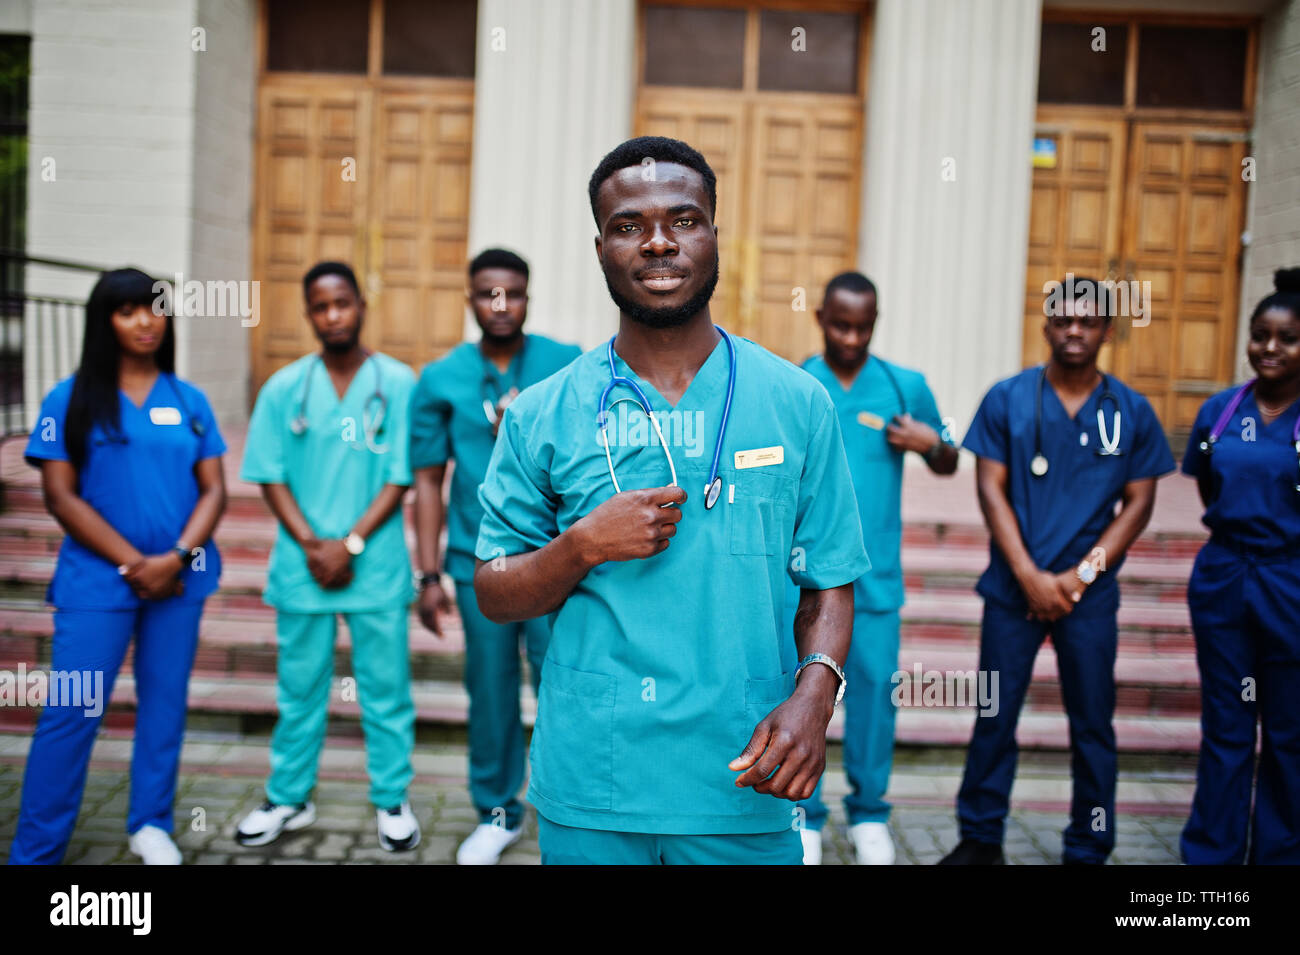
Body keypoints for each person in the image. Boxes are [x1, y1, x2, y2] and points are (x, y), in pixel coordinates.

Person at [471, 136, 870, 866]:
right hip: (597, 780)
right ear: (600, 249)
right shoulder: (544, 412)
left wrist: (816, 697)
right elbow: (495, 592)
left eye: (683, 220)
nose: (658, 241)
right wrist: (581, 545)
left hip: (746, 776)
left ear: (715, 234)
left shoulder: (797, 402)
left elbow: (831, 582)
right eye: (629, 226)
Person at [940, 275, 1174, 865]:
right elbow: (990, 489)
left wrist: (1083, 574)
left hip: (1088, 598)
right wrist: (1030, 576)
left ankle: (1089, 845)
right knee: (995, 715)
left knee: (1092, 723)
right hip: (1012, 590)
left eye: (1089, 321)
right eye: (1064, 319)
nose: (1075, 330)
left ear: (1108, 331)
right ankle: (980, 840)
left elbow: (1139, 502)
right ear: (1046, 325)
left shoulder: (1131, 409)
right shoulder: (1007, 398)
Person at [8, 268, 227, 865]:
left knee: (164, 703)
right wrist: (138, 564)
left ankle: (151, 823)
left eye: (154, 309)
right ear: (104, 320)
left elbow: (213, 489)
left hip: (179, 580)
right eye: (128, 310)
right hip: (98, 582)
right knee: (72, 711)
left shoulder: (190, 401)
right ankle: (36, 850)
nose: (145, 321)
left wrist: (176, 558)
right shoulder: (69, 399)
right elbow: (61, 497)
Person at [235, 261, 420, 852]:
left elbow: (400, 477)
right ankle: (289, 796)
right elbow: (270, 475)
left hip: (375, 565)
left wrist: (351, 544)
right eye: (320, 306)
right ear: (309, 313)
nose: (332, 315)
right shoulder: (285, 388)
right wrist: (316, 545)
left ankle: (392, 798)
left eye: (342, 303)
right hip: (303, 567)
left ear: (362, 306)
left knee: (386, 690)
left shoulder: (398, 382)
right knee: (299, 691)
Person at [410, 247, 581, 865]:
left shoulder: (566, 365)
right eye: (487, 293)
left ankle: (572, 802)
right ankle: (498, 811)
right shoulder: (441, 378)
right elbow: (428, 480)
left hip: (556, 559)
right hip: (475, 560)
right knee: (490, 688)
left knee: (562, 681)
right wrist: (427, 574)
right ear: (470, 299)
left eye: (513, 292)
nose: (500, 304)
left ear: (528, 297)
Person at [787, 271, 958, 865]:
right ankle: (801, 814)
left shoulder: (903, 385)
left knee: (876, 699)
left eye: (863, 327)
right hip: (804, 579)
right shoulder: (795, 382)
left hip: (876, 579)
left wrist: (930, 444)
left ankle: (868, 815)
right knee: (801, 693)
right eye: (840, 324)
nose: (852, 338)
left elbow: (948, 459)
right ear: (821, 318)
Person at [1180, 267, 1300, 865]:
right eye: (1260, 335)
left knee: (1288, 732)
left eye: (1287, 337)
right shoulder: (1219, 412)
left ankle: (1280, 855)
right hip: (1225, 578)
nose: (1270, 348)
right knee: (1227, 728)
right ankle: (1213, 858)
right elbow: (1208, 488)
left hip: (1291, 583)